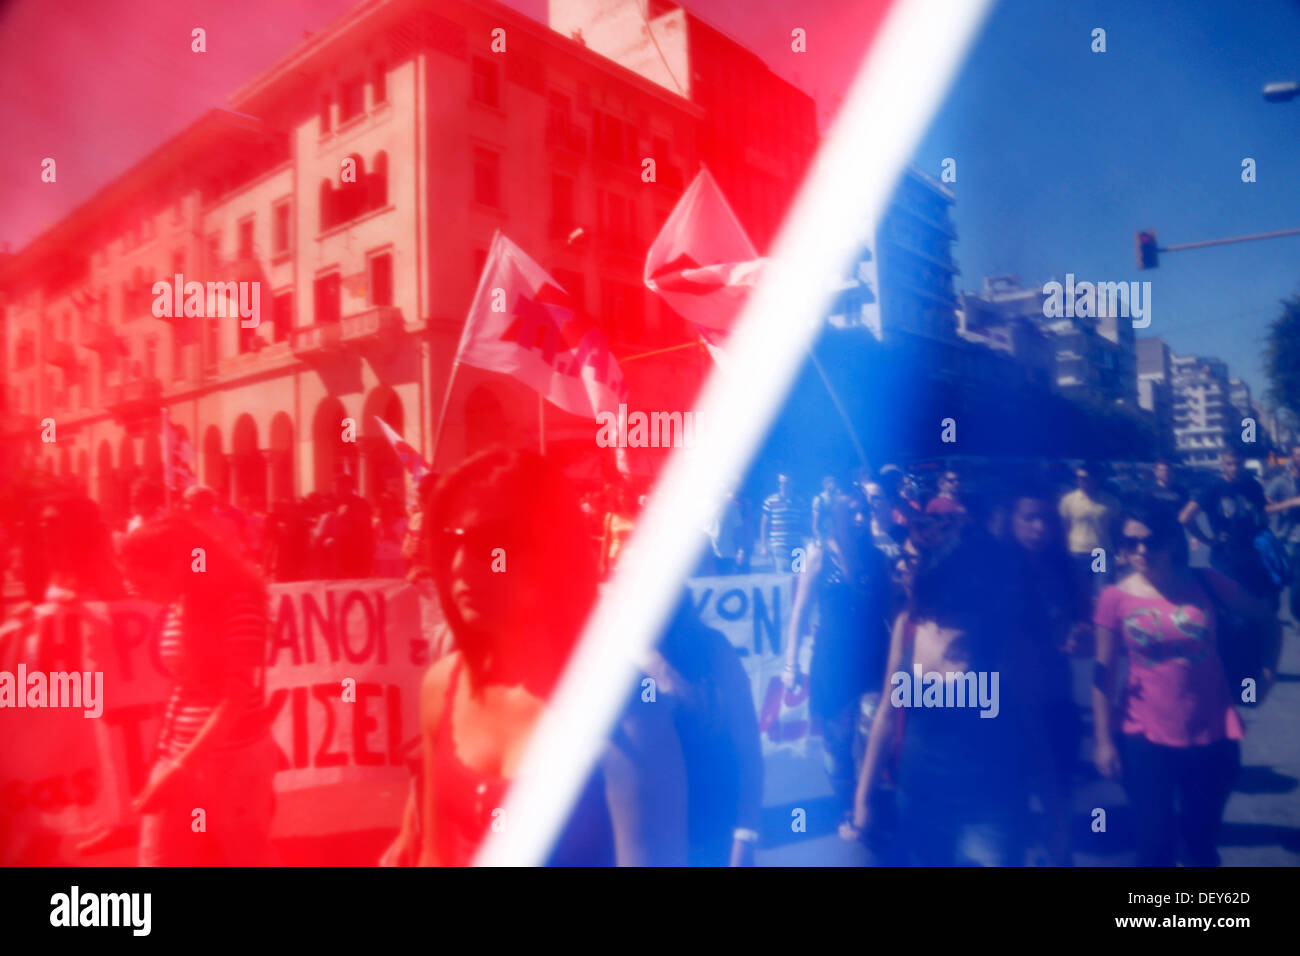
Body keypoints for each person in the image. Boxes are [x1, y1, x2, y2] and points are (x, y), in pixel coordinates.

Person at [413, 449, 687, 866]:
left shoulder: (627, 712)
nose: (460, 564)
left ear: (550, 551)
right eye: (451, 541)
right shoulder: (441, 687)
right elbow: (435, 855)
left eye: (490, 543)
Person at [1093, 500, 1278, 866]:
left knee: (1200, 845)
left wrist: (1264, 681)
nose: (1142, 551)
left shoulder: (1207, 582)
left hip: (1212, 735)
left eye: (1153, 540)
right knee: (1153, 846)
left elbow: (1267, 620)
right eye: (1131, 543)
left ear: (1172, 541)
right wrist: (1102, 742)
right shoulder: (1113, 598)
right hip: (1143, 737)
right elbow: (1104, 675)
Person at [849, 543, 1032, 865]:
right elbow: (887, 715)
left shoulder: (996, 636)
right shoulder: (908, 624)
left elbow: (1032, 725)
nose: (904, 571)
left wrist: (1055, 811)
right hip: (916, 798)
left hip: (984, 811)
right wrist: (863, 799)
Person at [120, 514, 277, 866]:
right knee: (159, 857)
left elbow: (234, 700)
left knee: (245, 857)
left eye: (143, 583)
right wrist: (165, 755)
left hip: (234, 764)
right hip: (180, 757)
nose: (138, 594)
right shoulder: (180, 604)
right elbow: (184, 687)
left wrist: (180, 768)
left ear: (175, 565)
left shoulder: (238, 604)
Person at [783, 492, 891, 829]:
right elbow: (800, 611)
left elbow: (892, 610)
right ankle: (847, 806)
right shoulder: (816, 557)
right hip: (833, 664)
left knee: (875, 733)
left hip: (875, 660)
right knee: (838, 745)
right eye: (852, 513)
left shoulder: (877, 556)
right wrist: (791, 664)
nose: (860, 519)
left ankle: (867, 802)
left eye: (864, 512)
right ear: (832, 517)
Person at [1000, 482, 1090, 864]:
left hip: (1056, 696)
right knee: (1010, 801)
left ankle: (1057, 853)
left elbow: (1085, 621)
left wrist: (1081, 635)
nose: (1039, 527)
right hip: (1006, 705)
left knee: (1058, 793)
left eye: (1047, 519)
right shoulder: (995, 570)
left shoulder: (1064, 569)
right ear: (1011, 520)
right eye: (1029, 518)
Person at [645, 594, 764, 866]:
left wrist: (745, 835)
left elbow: (749, 749)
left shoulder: (713, 649)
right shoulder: (612, 662)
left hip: (714, 834)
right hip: (649, 843)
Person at [1179, 447, 1273, 600]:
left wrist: (1264, 536)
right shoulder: (1213, 487)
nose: (1234, 468)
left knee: (1257, 598)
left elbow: (1263, 514)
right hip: (1225, 556)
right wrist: (1208, 540)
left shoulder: (1253, 485)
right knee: (1230, 602)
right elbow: (1185, 518)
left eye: (1238, 464)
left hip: (1252, 553)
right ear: (1223, 465)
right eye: (1229, 464)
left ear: (1244, 463)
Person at [1058, 463, 1121, 601]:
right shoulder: (1068, 500)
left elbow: (1116, 529)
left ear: (1096, 479)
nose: (1081, 481)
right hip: (1076, 552)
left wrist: (1118, 553)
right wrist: (1063, 551)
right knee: (1077, 591)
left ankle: (1097, 621)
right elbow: (1064, 528)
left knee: (1100, 593)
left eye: (1085, 478)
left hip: (1100, 553)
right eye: (1079, 478)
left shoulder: (1110, 501)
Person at [1264, 443, 1300, 622]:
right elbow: (1265, 507)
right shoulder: (1281, 481)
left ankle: (1297, 615)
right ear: (1292, 457)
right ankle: (1278, 609)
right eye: (1298, 455)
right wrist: (1290, 503)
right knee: (1287, 579)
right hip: (1288, 537)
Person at [759, 472, 807, 573]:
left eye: (786, 483)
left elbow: (805, 523)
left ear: (792, 484)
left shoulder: (800, 502)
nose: (783, 486)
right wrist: (764, 546)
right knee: (783, 576)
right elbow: (764, 524)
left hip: (797, 545)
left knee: (799, 574)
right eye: (781, 483)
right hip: (779, 545)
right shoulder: (770, 501)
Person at [811, 475, 839, 542]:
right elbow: (815, 523)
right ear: (825, 484)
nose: (834, 484)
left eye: (834, 482)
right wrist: (819, 538)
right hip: (824, 535)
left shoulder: (837, 498)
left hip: (836, 535)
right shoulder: (818, 499)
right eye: (831, 482)